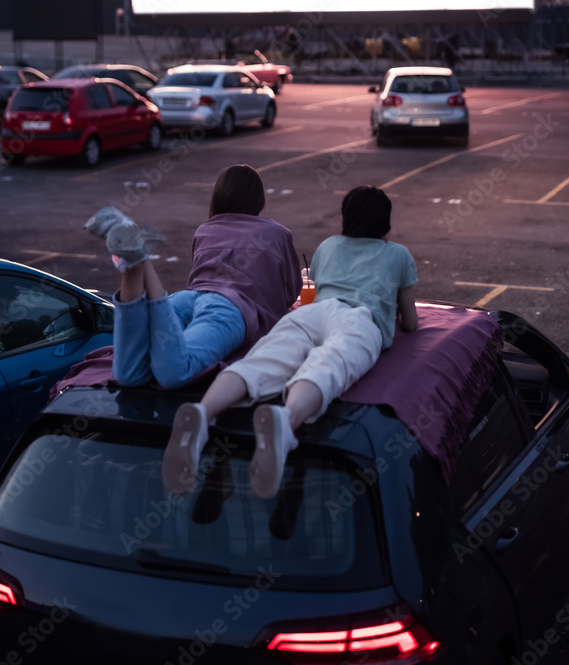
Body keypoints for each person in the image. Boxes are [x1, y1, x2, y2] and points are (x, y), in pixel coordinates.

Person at [162, 185, 418, 499]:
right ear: (386, 222)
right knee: (330, 363)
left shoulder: (328, 246)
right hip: (358, 318)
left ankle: (203, 412)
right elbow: (410, 321)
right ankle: (286, 419)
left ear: (344, 219)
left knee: (262, 360)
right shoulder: (398, 254)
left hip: (313, 313)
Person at [85, 164, 302, 392]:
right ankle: (141, 257)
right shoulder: (277, 233)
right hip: (228, 307)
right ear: (259, 199)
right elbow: (289, 292)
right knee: (174, 373)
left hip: (185, 299)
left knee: (129, 374)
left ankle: (139, 262)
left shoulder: (206, 229)